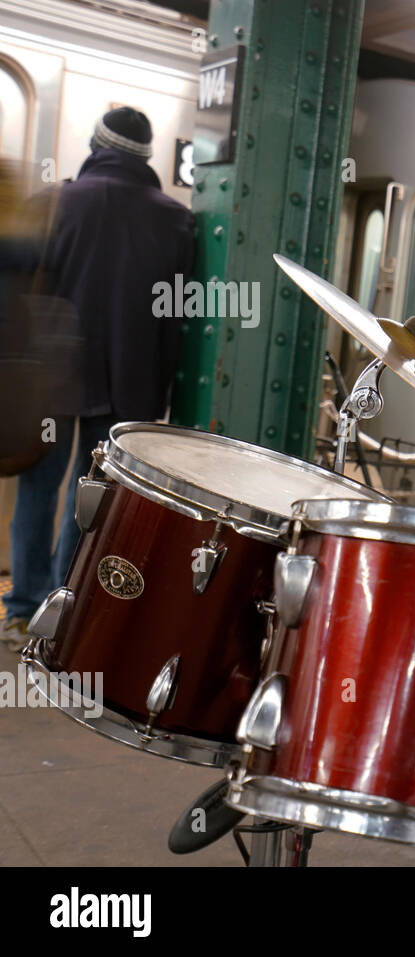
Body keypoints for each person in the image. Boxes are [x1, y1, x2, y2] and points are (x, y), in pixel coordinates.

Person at [2, 108, 194, 649]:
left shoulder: (54, 202)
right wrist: (163, 392)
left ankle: (21, 610)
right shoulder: (175, 219)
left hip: (49, 383)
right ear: (146, 155)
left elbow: (23, 300)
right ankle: (65, 609)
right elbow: (174, 319)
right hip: (126, 384)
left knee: (39, 490)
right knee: (93, 497)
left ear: (95, 144)